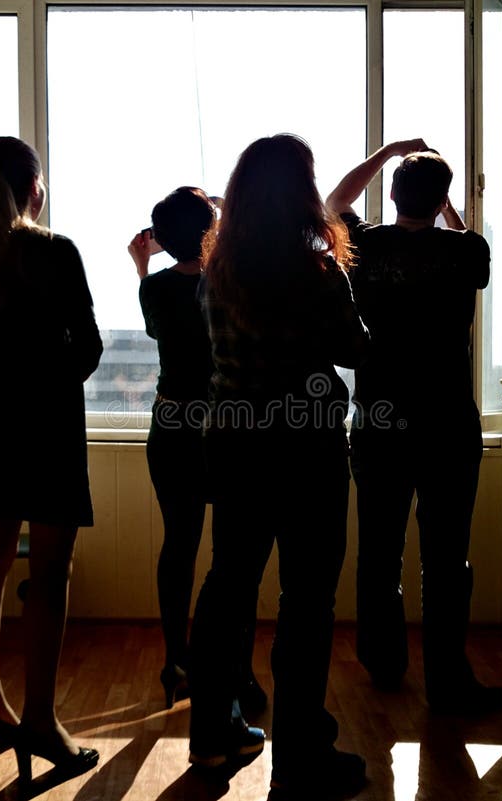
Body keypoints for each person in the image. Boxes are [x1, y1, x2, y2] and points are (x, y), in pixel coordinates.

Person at [188, 134, 369, 799]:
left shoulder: (217, 270)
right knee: (307, 601)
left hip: (234, 440)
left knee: (228, 583)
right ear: (302, 192)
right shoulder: (319, 270)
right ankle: (299, 759)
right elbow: (355, 349)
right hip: (307, 447)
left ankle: (211, 735)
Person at [326, 142, 502, 715]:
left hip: (381, 420)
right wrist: (448, 211)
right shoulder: (466, 250)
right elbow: (465, 249)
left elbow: (334, 200)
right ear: (439, 201)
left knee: (380, 549)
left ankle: (384, 664)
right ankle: (448, 681)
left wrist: (390, 152)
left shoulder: (367, 246)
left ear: (392, 195)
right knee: (447, 557)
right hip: (447, 421)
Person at [0, 136, 102, 780]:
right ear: (34, 187)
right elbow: (89, 349)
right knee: (50, 573)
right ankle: (40, 716)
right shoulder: (53, 250)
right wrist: (57, 363)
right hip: (49, 418)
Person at [128, 187, 266, 717]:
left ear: (162, 238)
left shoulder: (157, 289)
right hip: (228, 422)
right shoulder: (232, 282)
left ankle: (176, 658)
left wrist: (144, 264)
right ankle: (239, 670)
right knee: (235, 556)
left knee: (178, 545)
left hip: (172, 424)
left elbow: (157, 327)